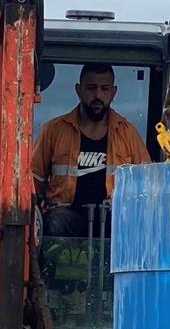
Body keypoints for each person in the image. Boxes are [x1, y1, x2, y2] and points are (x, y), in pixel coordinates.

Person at [31, 63, 152, 238]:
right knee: (55, 223)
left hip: (113, 217)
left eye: (104, 89)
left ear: (113, 91)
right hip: (66, 216)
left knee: (130, 226)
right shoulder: (54, 131)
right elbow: (32, 181)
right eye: (91, 88)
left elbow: (147, 182)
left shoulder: (128, 134)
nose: (97, 95)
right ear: (78, 90)